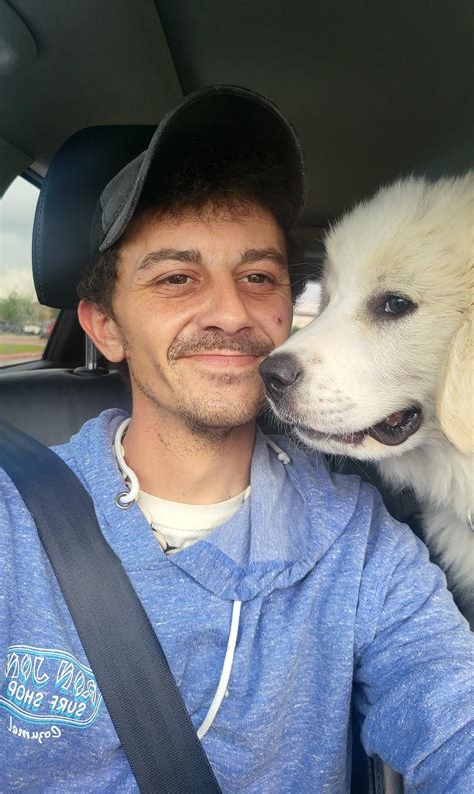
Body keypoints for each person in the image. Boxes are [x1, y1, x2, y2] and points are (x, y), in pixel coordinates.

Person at [0, 86, 472, 793]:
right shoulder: (13, 519)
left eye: (257, 275)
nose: (229, 310)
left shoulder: (359, 544)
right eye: (177, 277)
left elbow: (454, 723)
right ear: (104, 326)